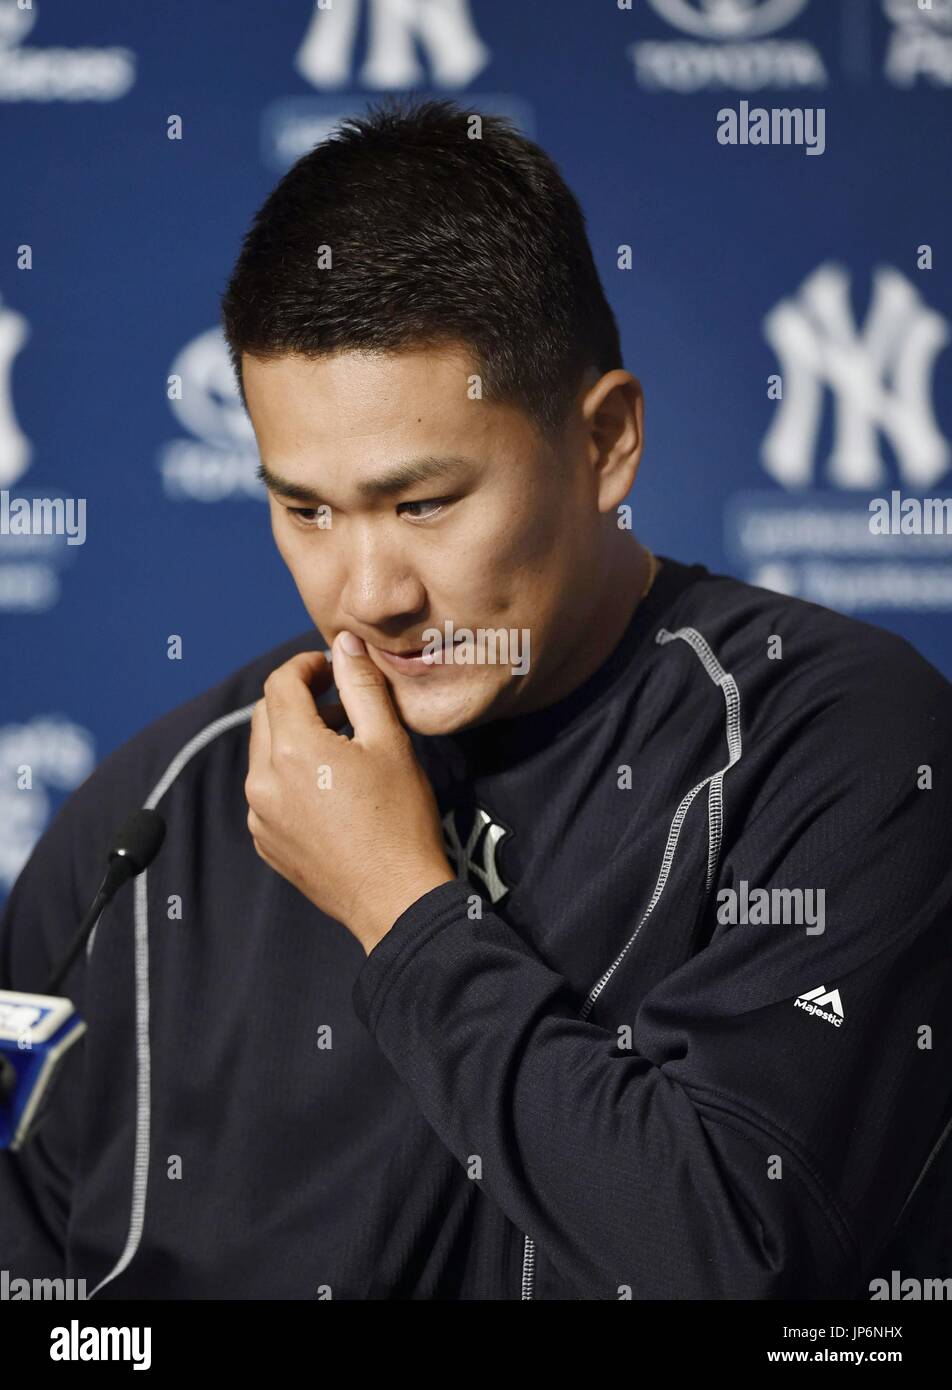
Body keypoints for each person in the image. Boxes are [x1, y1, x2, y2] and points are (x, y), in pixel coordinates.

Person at [2, 97, 950, 1302]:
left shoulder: (841, 746)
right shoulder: (151, 817)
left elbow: (732, 1262)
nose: (368, 591)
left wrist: (402, 913)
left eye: (424, 503)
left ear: (604, 442)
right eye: (306, 509)